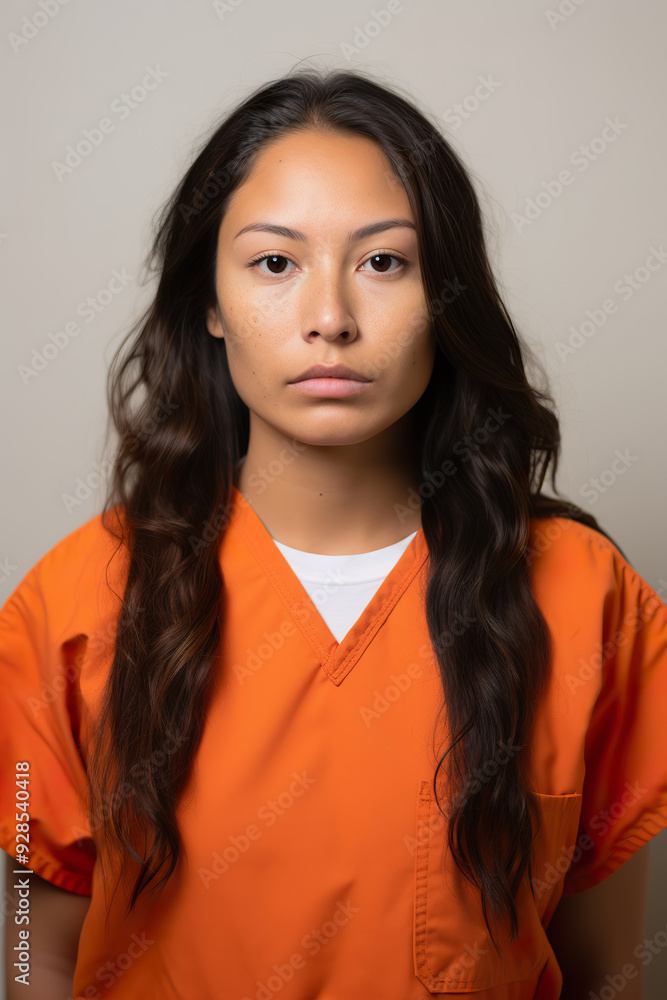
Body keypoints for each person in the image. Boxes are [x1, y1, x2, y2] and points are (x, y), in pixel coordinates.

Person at [1, 66, 666, 1000]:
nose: (330, 320)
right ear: (209, 302)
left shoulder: (585, 600)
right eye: (274, 263)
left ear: (447, 298)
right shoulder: (69, 609)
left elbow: (609, 972)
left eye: (383, 263)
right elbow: (34, 951)